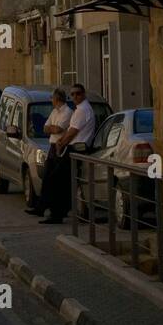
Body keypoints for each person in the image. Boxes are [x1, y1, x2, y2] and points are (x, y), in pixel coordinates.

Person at [40, 83, 96, 225]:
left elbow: (71, 132)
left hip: (75, 149)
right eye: (73, 94)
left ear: (83, 94)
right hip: (75, 148)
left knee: (57, 179)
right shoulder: (81, 109)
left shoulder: (82, 110)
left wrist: (60, 144)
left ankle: (56, 214)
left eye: (78, 93)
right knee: (63, 180)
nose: (75, 96)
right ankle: (60, 211)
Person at [26, 86, 71, 216]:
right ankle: (40, 208)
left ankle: (54, 209)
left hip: (60, 148)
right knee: (46, 178)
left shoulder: (67, 112)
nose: (51, 100)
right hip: (51, 147)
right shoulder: (54, 112)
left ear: (57, 99)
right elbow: (45, 128)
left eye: (52, 98)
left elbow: (58, 130)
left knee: (54, 179)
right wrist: (53, 128)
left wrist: (53, 128)